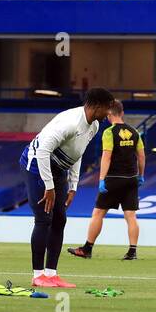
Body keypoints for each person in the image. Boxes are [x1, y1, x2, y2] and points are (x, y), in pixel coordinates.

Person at [19, 87, 115, 289]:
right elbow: (43, 151)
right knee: (44, 218)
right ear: (96, 106)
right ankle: (38, 276)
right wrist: (49, 186)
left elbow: (76, 154)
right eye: (107, 109)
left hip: (59, 167)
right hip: (36, 164)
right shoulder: (70, 123)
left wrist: (73, 186)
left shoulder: (94, 125)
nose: (109, 114)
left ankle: (51, 274)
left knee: (60, 218)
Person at [69, 99, 144, 260]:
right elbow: (141, 156)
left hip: (113, 179)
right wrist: (141, 175)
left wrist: (101, 179)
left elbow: (106, 157)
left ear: (109, 114)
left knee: (98, 213)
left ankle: (87, 248)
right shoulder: (134, 132)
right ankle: (132, 251)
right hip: (131, 178)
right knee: (130, 215)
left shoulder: (109, 132)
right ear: (122, 113)